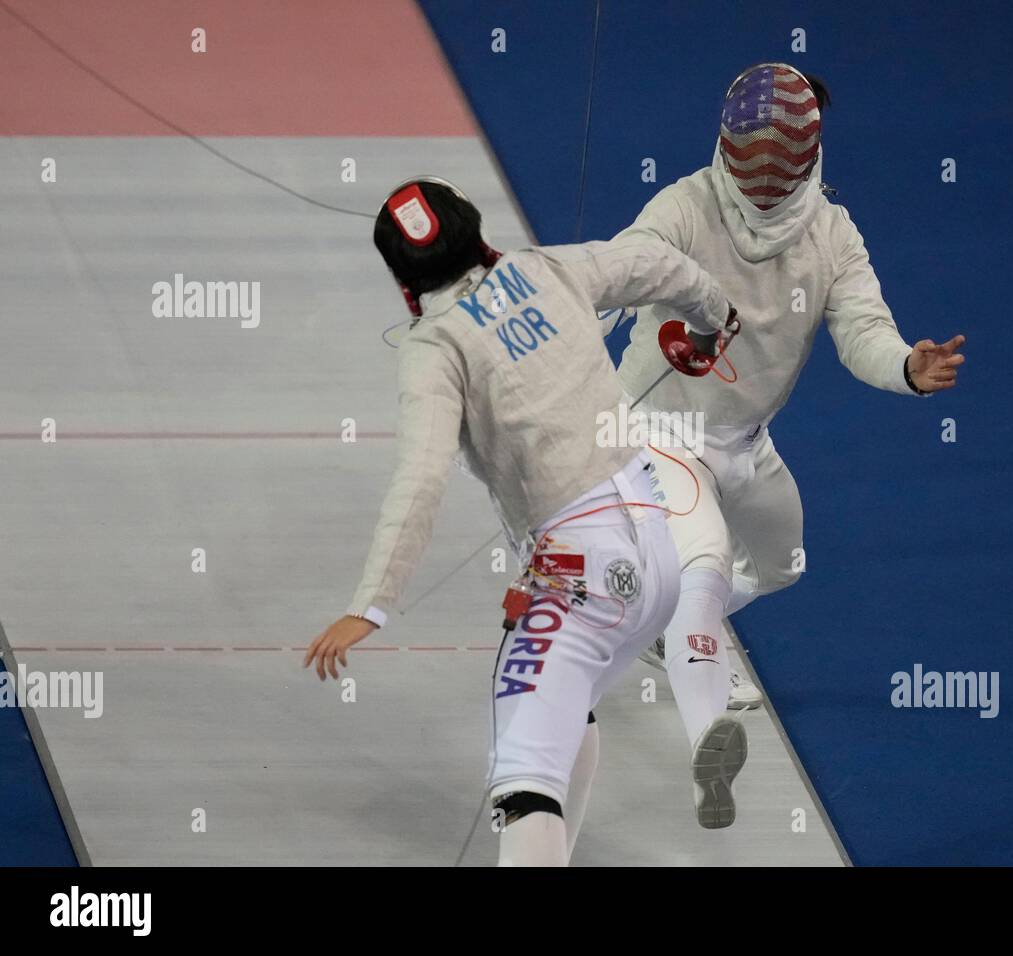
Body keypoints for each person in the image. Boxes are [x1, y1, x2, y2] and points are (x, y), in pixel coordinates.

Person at [302, 177, 739, 865]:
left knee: (523, 784)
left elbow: (420, 478)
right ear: (476, 234)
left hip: (579, 579)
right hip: (658, 563)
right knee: (570, 706)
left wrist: (373, 604)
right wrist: (714, 320)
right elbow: (660, 264)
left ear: (403, 279)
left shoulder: (434, 347)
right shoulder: (545, 267)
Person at [612, 64, 966, 827]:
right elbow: (630, 259)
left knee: (780, 564)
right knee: (704, 566)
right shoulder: (684, 207)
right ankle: (709, 735)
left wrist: (906, 365)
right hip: (656, 435)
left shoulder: (831, 235)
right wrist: (579, 286)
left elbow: (865, 330)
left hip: (743, 438)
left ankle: (657, 619)